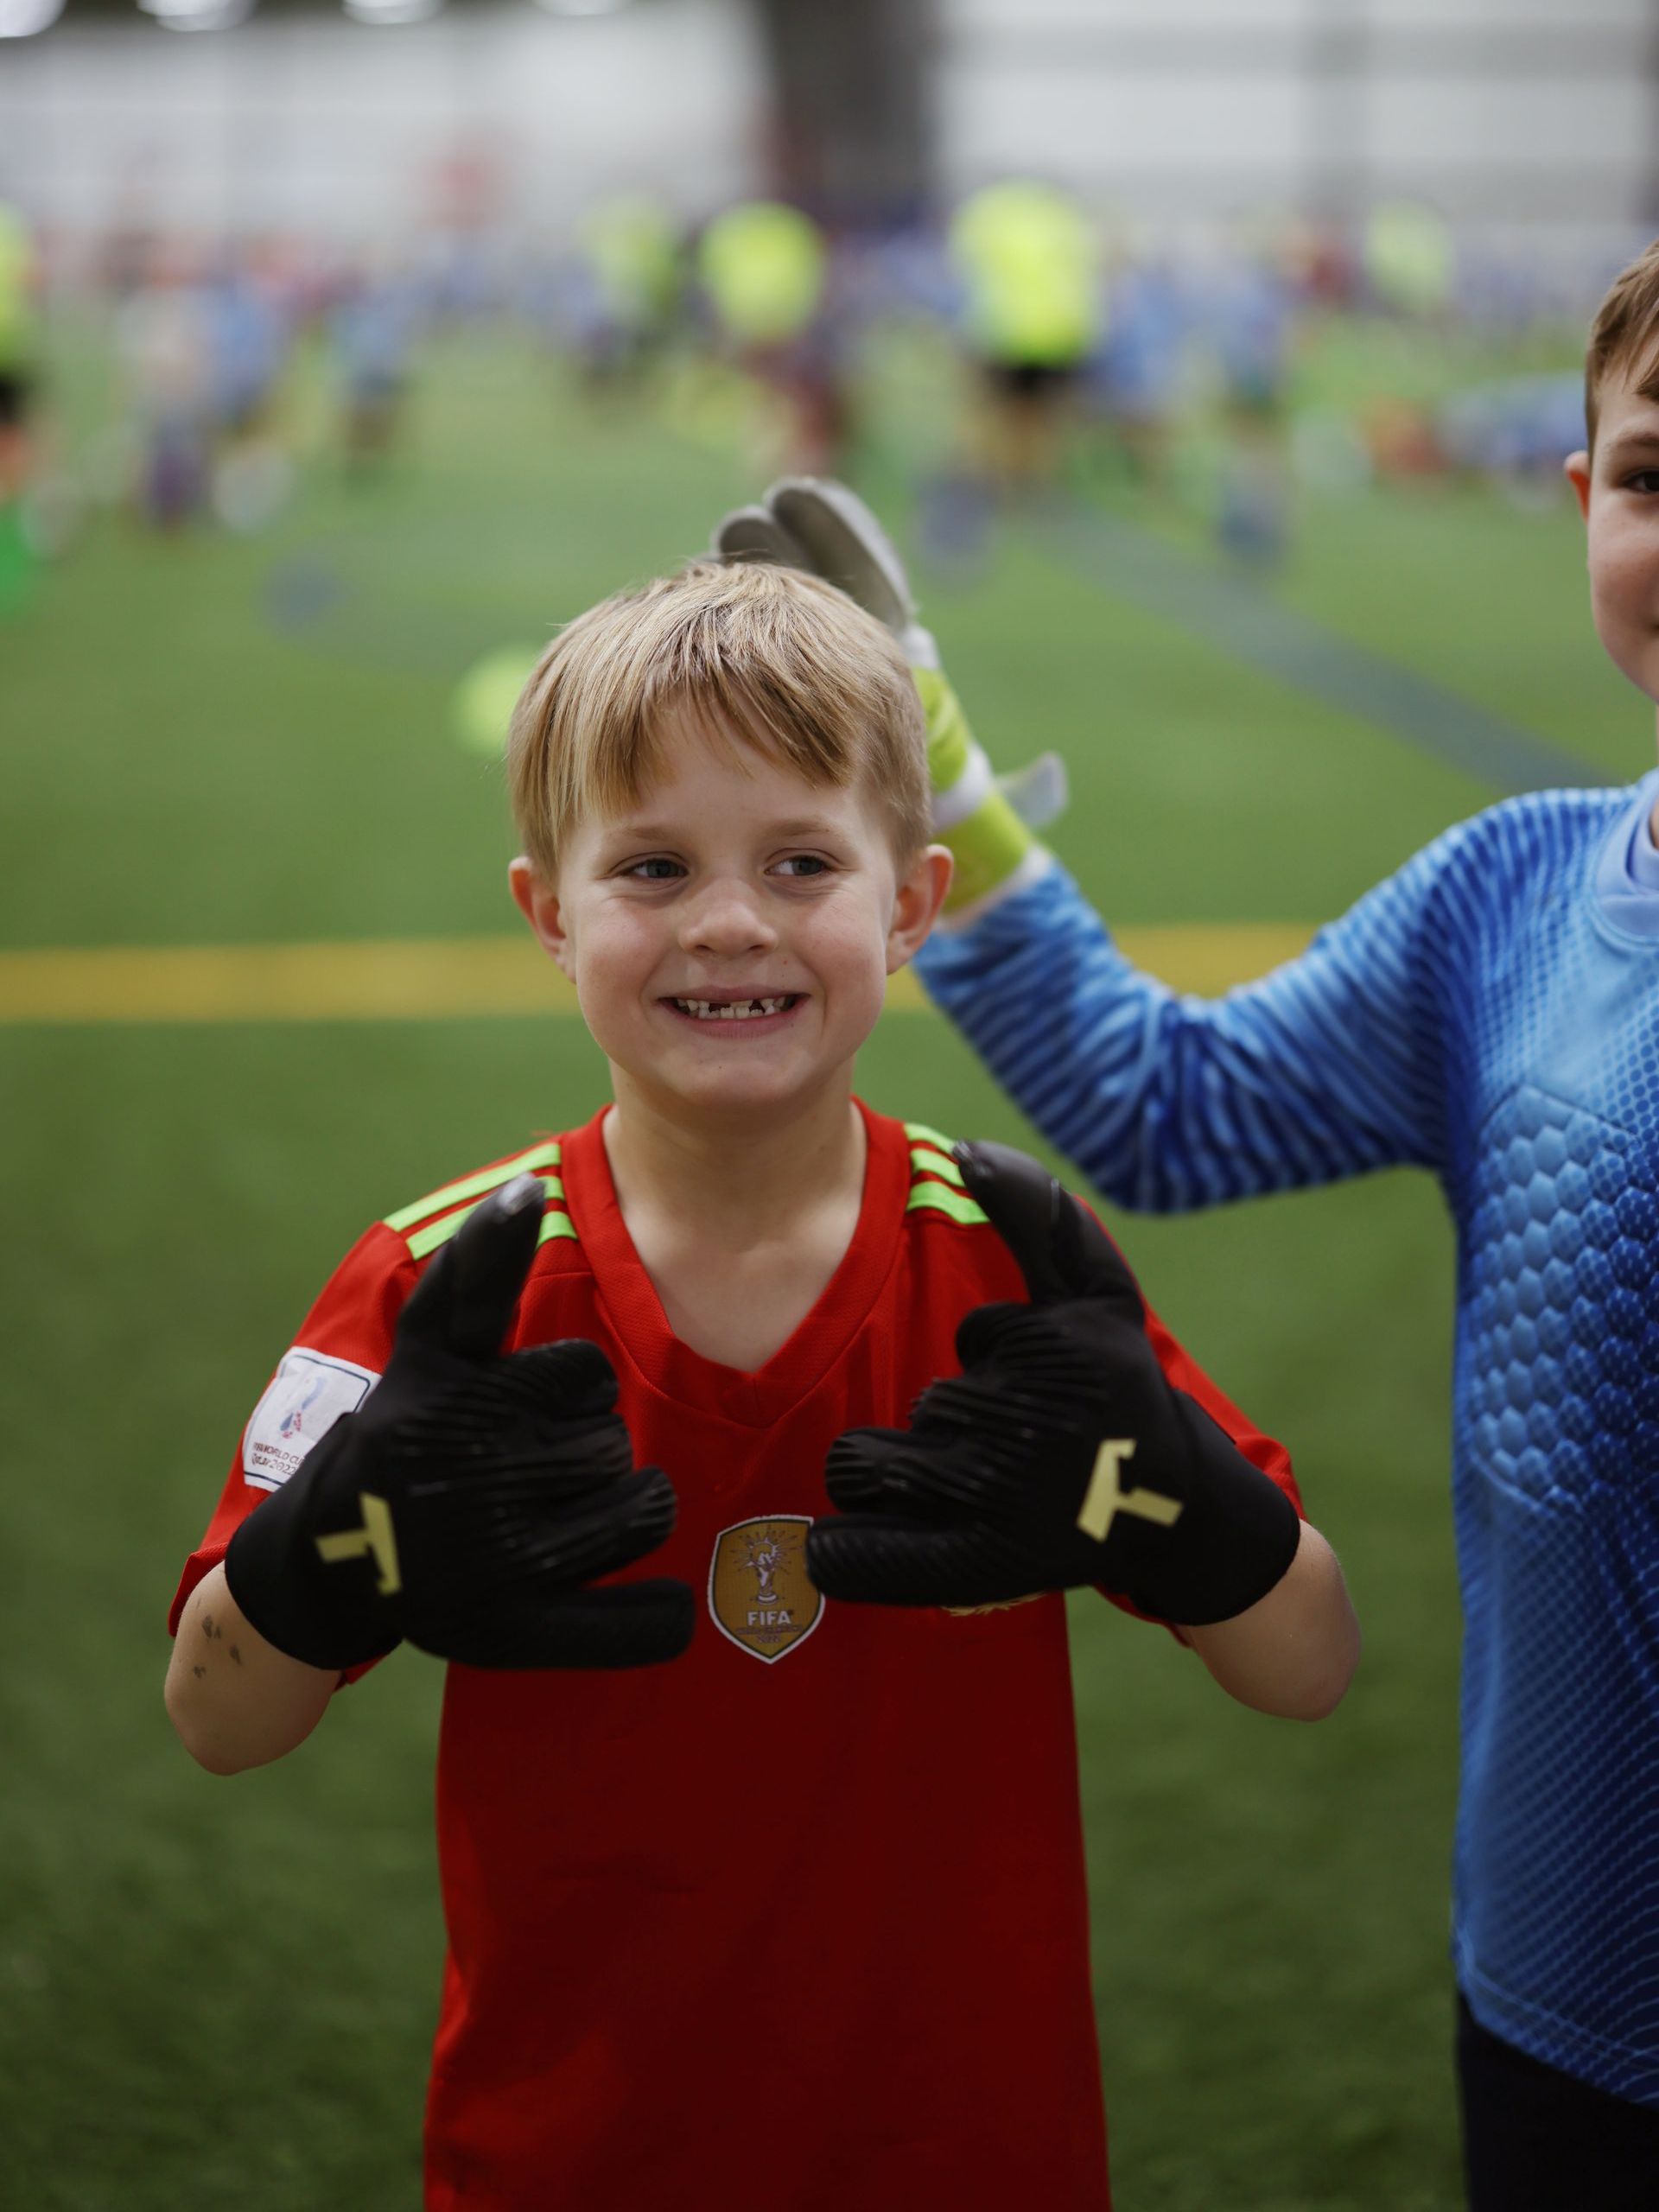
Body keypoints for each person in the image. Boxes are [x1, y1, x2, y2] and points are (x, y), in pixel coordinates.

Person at [164, 556, 1359, 2212]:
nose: (730, 921)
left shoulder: (1015, 1271)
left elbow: (1307, 1661)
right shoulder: (447, 1284)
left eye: (802, 862)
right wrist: (335, 1548)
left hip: (971, 2151)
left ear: (914, 901)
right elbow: (218, 1717)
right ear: (547, 912)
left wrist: (1173, 1505)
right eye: (652, 867)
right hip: (567, 2153)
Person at [729, 237, 1659, 2212]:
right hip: (1571, 1961)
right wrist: (932, 758)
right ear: (1585, 505)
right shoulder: (1513, 896)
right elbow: (1175, 1103)